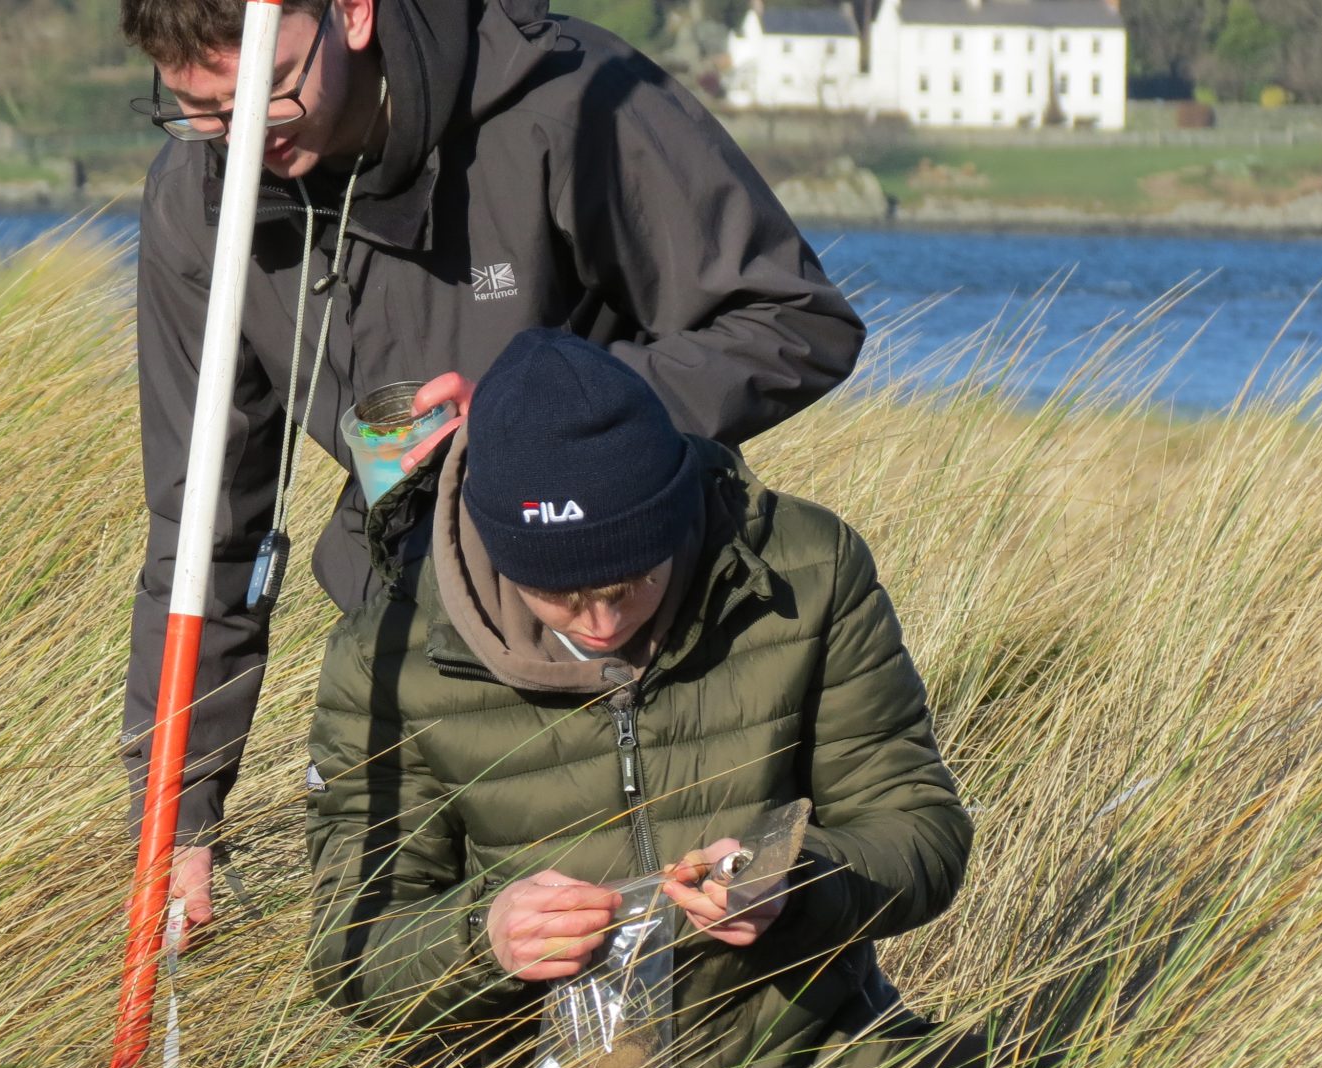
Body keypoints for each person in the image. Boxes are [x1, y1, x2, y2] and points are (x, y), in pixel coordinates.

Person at [120, 0, 867, 941]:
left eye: (266, 93)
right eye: (199, 107)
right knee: (410, 1004)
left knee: (665, 1005)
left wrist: (545, 421)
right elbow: (205, 527)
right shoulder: (200, 195)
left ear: (352, 13)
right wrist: (183, 810)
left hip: (633, 638)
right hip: (402, 653)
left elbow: (794, 323)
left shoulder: (570, 100)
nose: (238, 141)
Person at [305, 330, 980, 1068]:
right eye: (564, 596)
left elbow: (922, 830)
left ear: (670, 516)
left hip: (817, 1066)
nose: (605, 620)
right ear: (501, 551)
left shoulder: (809, 572)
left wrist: (803, 880)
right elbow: (352, 950)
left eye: (632, 581)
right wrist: (486, 940)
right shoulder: (382, 658)